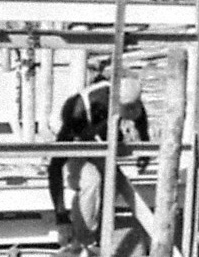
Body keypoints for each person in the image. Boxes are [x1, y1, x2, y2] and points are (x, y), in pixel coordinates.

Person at [49, 74, 149, 251]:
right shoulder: (79, 112)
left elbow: (140, 118)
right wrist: (61, 216)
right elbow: (54, 167)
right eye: (127, 110)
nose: (132, 114)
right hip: (75, 140)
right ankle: (83, 243)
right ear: (115, 104)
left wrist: (145, 151)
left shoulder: (127, 99)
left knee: (114, 180)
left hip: (98, 139)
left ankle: (99, 227)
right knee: (92, 181)